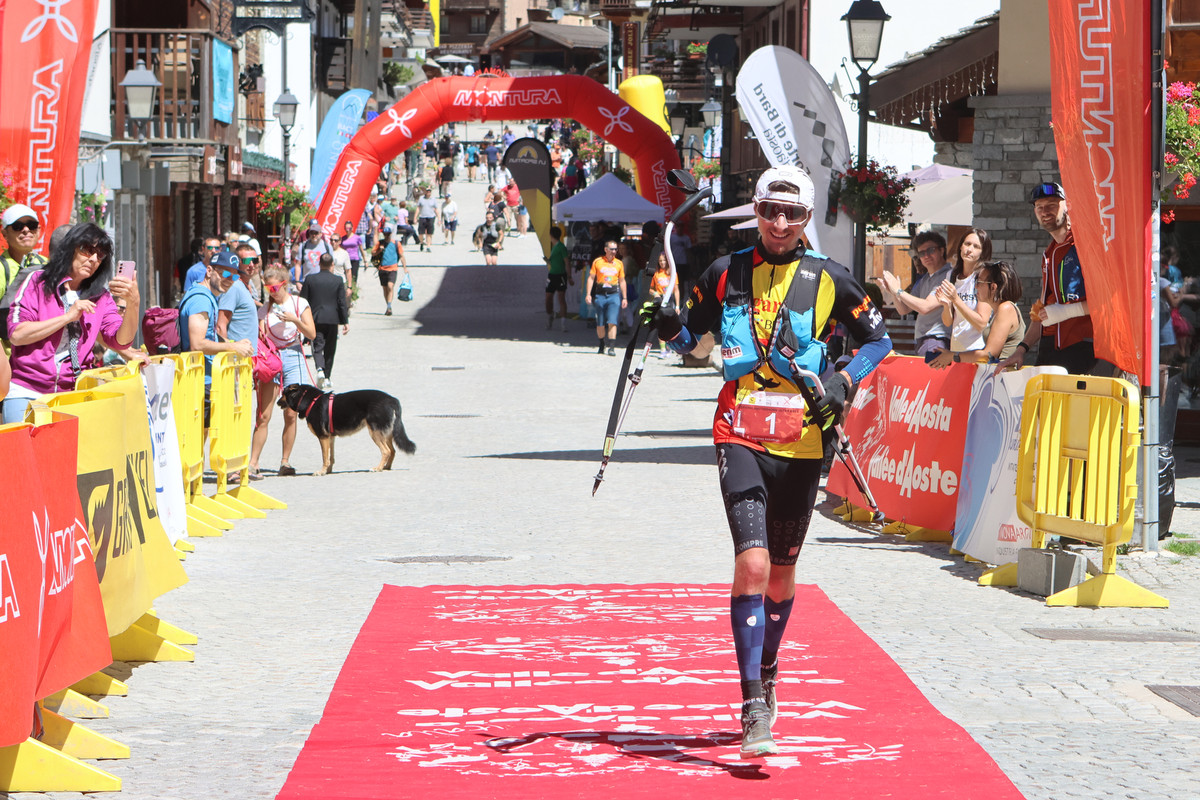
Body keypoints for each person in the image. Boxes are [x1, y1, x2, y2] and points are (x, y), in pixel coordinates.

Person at [640, 165, 890, 758]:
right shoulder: (725, 272)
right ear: (755, 211)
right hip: (739, 434)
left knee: (780, 571)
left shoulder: (830, 277)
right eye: (770, 211)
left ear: (806, 219)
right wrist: (667, 326)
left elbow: (877, 340)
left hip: (803, 442)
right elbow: (693, 343)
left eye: (792, 214)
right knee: (751, 564)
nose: (780, 223)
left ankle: (769, 666)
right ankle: (753, 701)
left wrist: (843, 380)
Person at [3, 224, 141, 423]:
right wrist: (67, 317)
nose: (93, 259)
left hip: (72, 396)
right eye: (87, 250)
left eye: (100, 255)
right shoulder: (38, 282)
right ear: (71, 248)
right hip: (27, 392)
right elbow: (17, 335)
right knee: (22, 445)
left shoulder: (100, 297)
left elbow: (120, 341)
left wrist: (133, 302)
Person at [996, 182, 1108, 375]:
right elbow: (1041, 310)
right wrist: (1022, 349)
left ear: (1067, 206)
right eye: (1039, 207)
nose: (1045, 211)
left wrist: (1066, 312)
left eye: (1052, 205)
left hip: (1081, 345)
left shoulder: (1085, 244)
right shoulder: (1049, 253)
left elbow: (1108, 301)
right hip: (1050, 346)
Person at [253, 264, 317, 477]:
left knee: (291, 413)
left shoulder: (299, 303)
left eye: (274, 288)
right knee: (263, 414)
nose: (272, 292)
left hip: (293, 355)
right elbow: (261, 337)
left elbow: (312, 334)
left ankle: (285, 462)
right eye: (268, 288)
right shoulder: (265, 310)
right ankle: (254, 462)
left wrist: (295, 320)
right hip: (271, 359)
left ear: (284, 284)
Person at [178, 250, 254, 426]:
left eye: (234, 276)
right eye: (225, 273)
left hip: (202, 378)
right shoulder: (201, 299)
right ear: (209, 270)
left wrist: (232, 343)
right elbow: (197, 344)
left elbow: (208, 335)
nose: (229, 280)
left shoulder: (206, 295)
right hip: (199, 380)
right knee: (199, 436)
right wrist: (234, 348)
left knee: (203, 436)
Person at [928, 260, 1026, 368]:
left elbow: (988, 355)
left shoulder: (1006, 308)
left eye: (979, 282)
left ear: (993, 287)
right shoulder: (1000, 310)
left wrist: (952, 356)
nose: (976, 287)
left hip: (1005, 376)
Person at [875, 231, 953, 356]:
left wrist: (898, 291)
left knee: (930, 369)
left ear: (942, 250)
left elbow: (925, 307)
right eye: (921, 253)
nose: (926, 256)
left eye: (931, 250)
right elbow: (904, 309)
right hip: (924, 341)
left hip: (936, 340)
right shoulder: (925, 279)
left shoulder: (948, 276)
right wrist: (893, 292)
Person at [935, 228, 993, 353]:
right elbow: (948, 322)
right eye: (967, 244)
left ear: (983, 252)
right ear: (961, 246)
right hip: (956, 348)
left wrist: (956, 299)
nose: (969, 249)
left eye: (976, 246)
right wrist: (946, 306)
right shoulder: (951, 276)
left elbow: (981, 324)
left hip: (977, 350)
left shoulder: (985, 277)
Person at [301, 252, 349, 390]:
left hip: (315, 318)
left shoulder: (310, 279)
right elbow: (341, 302)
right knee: (330, 348)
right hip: (333, 319)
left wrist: (302, 320)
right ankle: (327, 377)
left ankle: (320, 369)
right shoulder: (338, 280)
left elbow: (303, 300)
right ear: (332, 264)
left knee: (317, 345)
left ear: (319, 263)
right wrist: (345, 321)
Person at [216, 245, 261, 363]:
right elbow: (220, 325)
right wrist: (227, 359)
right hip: (236, 360)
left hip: (247, 358)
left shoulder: (245, 286)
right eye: (246, 261)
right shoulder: (234, 287)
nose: (251, 264)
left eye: (254, 260)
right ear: (237, 263)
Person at [1, 204, 49, 303]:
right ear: (5, 234)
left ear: (38, 230)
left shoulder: (46, 263)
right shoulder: (2, 268)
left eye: (32, 225)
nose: (26, 230)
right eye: (17, 226)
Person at [586, 240, 626, 356]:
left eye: (615, 249)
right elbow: (591, 278)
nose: (614, 252)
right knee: (600, 323)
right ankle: (602, 343)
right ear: (606, 249)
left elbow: (622, 281)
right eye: (611, 249)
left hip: (614, 295)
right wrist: (588, 294)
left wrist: (624, 297)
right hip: (600, 295)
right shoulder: (598, 262)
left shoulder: (619, 263)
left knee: (612, 321)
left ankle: (612, 347)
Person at [646, 251, 681, 358]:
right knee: (660, 324)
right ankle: (662, 349)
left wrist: (678, 305)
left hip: (670, 300)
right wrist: (655, 294)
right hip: (660, 300)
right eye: (660, 261)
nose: (662, 263)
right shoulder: (656, 274)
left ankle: (670, 347)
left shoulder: (673, 273)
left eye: (664, 260)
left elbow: (676, 290)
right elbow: (650, 289)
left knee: (670, 325)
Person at [376, 227, 409, 315]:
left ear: (390, 234)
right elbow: (373, 253)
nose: (386, 236)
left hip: (393, 268)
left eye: (388, 234)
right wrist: (380, 250)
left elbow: (401, 256)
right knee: (385, 288)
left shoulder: (396, 243)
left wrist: (405, 268)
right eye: (385, 234)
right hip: (382, 269)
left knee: (390, 286)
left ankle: (389, 305)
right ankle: (388, 306)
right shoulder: (380, 243)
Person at [544, 226, 571, 331]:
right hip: (552, 275)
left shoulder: (561, 247)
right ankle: (550, 315)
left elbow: (567, 262)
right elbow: (555, 262)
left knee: (561, 298)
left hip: (561, 275)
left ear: (551, 235)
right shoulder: (554, 247)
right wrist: (548, 261)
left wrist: (569, 276)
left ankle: (563, 323)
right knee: (548, 297)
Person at [340, 219, 365, 295]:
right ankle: (346, 292)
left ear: (352, 228)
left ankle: (353, 292)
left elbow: (361, 249)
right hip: (345, 260)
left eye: (349, 228)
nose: (348, 230)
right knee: (345, 277)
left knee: (353, 277)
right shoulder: (343, 238)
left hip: (354, 259)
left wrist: (365, 260)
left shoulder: (357, 238)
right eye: (346, 228)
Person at [416, 186, 440, 252]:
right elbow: (418, 208)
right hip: (422, 217)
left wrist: (439, 219)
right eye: (427, 191)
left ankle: (428, 246)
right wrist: (415, 217)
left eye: (429, 191)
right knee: (420, 233)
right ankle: (421, 242)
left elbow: (436, 209)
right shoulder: (421, 199)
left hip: (431, 217)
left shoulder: (433, 199)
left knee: (429, 233)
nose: (428, 192)